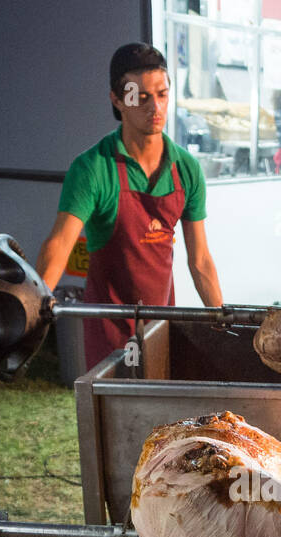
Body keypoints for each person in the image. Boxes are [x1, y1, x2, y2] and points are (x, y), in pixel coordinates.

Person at [36, 43, 222, 370]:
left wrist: (221, 322)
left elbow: (201, 259)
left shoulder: (187, 169)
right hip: (108, 332)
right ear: (117, 100)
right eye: (141, 97)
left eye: (162, 94)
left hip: (162, 325)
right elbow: (60, 243)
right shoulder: (93, 168)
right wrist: (34, 306)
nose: (155, 108)